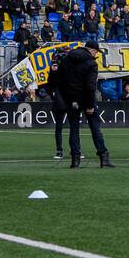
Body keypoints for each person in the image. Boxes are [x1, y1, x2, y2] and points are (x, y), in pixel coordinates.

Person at [57, 40, 113, 168]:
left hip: (71, 98)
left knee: (74, 129)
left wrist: (66, 97)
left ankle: (75, 160)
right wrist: (90, 105)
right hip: (86, 98)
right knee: (95, 128)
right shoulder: (91, 63)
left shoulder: (66, 59)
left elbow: (60, 80)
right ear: (93, 50)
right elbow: (90, 87)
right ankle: (103, 156)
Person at [44, 48, 70, 160]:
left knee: (73, 126)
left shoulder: (69, 68)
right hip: (61, 100)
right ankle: (60, 150)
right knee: (60, 127)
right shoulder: (55, 71)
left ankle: (75, 149)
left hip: (68, 99)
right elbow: (50, 85)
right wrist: (54, 72)